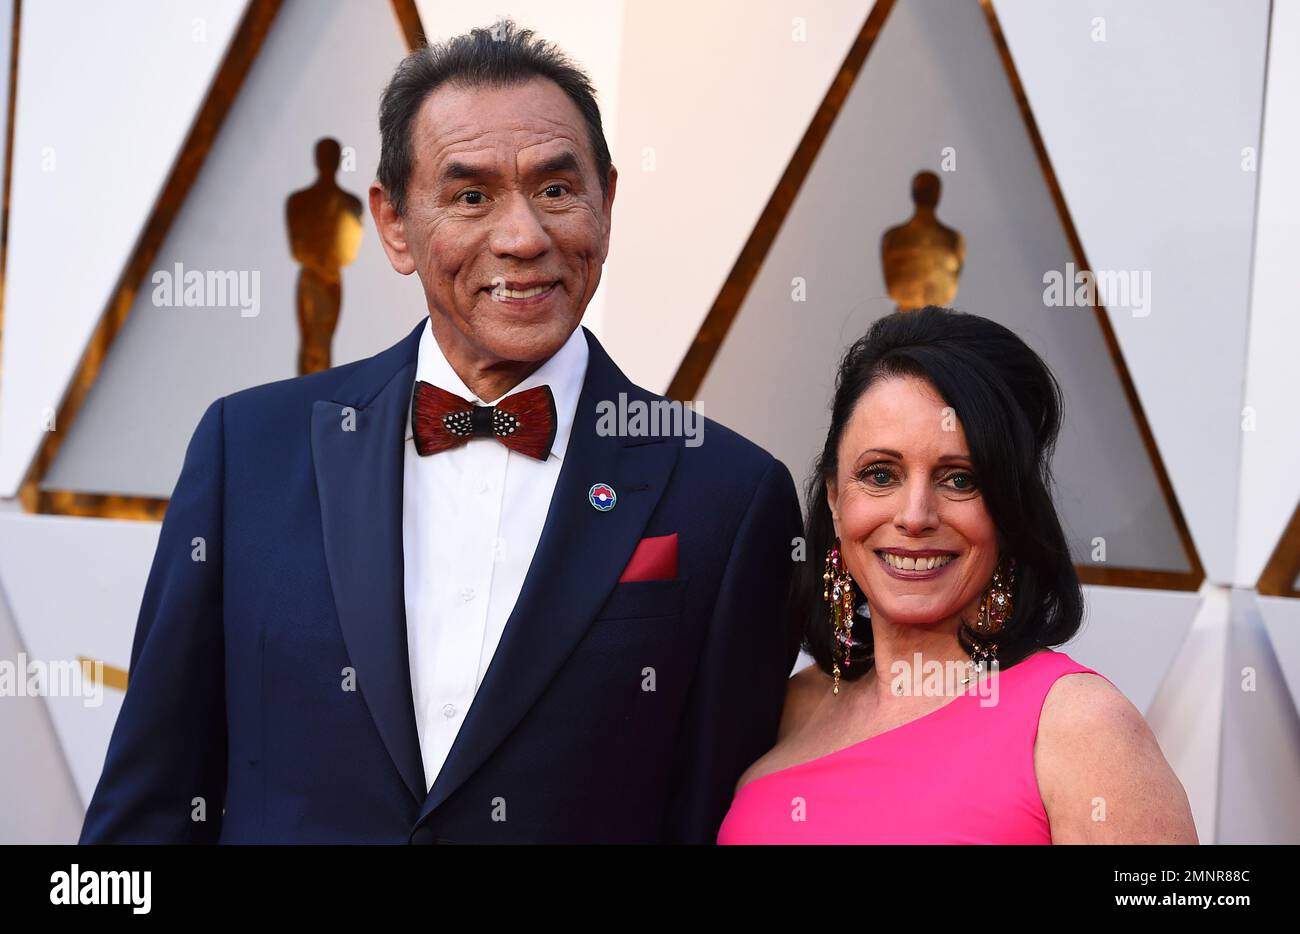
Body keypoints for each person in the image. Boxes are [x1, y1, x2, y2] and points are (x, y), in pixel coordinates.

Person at [80, 20, 801, 844]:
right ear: (393, 224)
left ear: (606, 203)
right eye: (470, 196)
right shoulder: (247, 452)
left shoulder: (730, 497)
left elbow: (710, 818)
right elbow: (146, 809)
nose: (524, 236)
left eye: (558, 190)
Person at [718, 306, 1198, 844]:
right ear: (834, 497)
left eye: (959, 479)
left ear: (1008, 509)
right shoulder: (792, 706)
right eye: (880, 475)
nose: (915, 515)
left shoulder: (1077, 725)